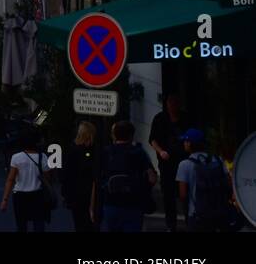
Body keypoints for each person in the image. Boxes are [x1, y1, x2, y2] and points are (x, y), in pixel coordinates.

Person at [99, 119, 157, 233]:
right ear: (131, 135)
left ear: (114, 135)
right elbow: (152, 178)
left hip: (111, 203)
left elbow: (98, 178)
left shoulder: (106, 152)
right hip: (133, 204)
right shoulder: (139, 152)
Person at [176, 128, 235, 233]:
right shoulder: (218, 160)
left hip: (196, 215)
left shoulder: (184, 164)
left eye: (185, 141)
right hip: (219, 213)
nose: (184, 143)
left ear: (190, 144)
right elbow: (229, 183)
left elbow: (183, 194)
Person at [0, 129, 53, 232]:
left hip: (20, 196)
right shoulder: (43, 157)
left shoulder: (17, 158)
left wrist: (5, 200)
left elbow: (10, 180)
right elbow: (48, 178)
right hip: (37, 195)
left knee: (21, 225)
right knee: (38, 224)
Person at [149, 93, 188, 231]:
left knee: (185, 193)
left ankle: (189, 220)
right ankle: (171, 225)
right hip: (166, 163)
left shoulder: (185, 118)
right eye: (170, 103)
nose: (173, 106)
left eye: (175, 102)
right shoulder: (160, 119)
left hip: (183, 161)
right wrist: (160, 151)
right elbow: (152, 139)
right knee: (168, 195)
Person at [61, 121, 99, 232]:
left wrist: (66, 194)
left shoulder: (74, 150)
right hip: (91, 192)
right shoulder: (95, 150)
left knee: (80, 223)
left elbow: (67, 174)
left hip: (77, 194)